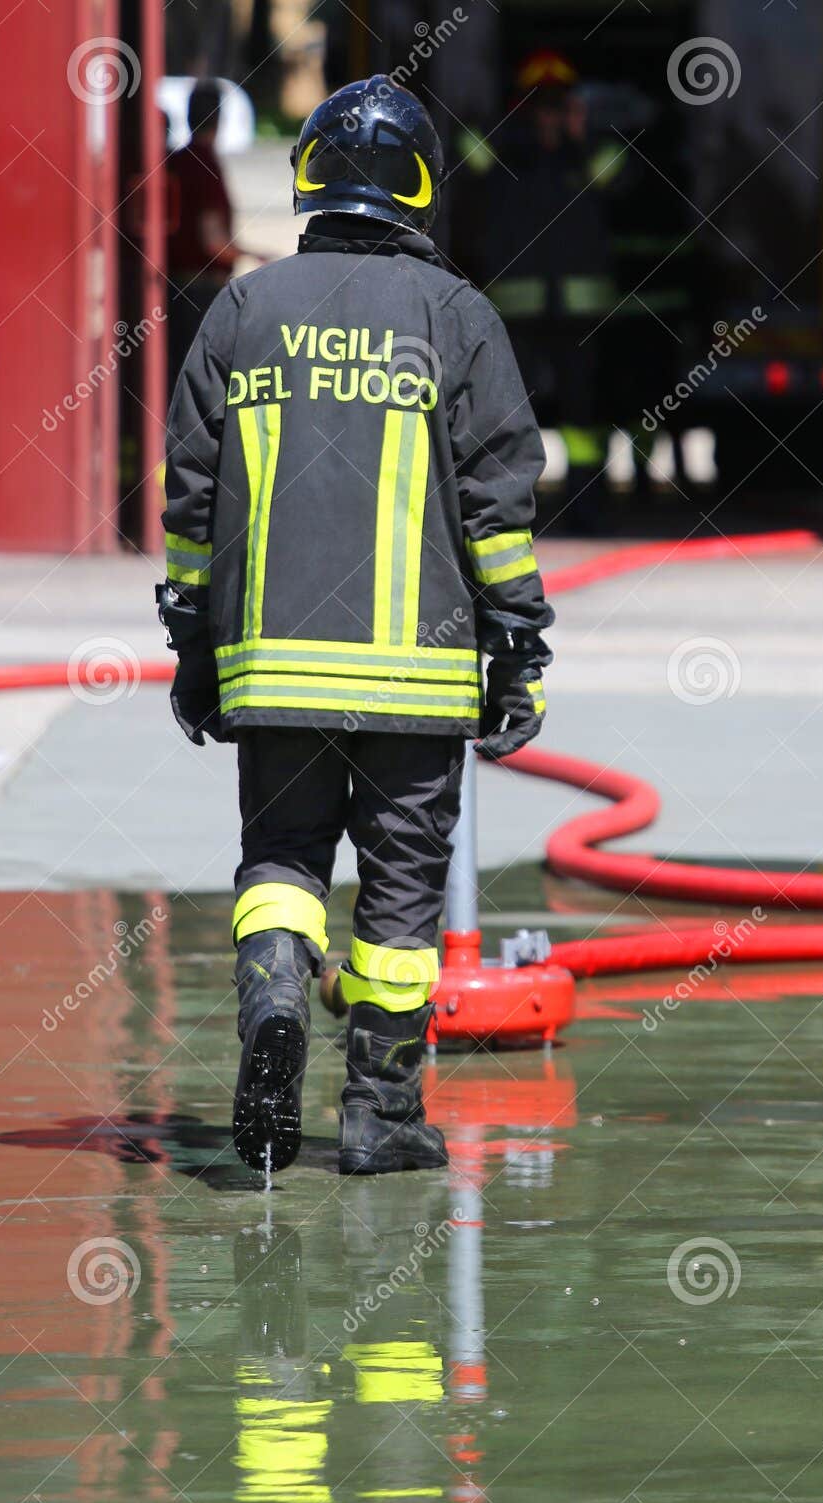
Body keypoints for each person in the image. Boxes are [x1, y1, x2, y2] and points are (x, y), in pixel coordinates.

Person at [156, 76, 554, 1178]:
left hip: (272, 668)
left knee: (282, 857)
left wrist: (193, 642)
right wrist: (518, 644)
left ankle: (277, 995)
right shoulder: (458, 317)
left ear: (311, 176)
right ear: (421, 187)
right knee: (399, 892)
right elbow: (497, 502)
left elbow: (190, 493)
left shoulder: (246, 310)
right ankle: (378, 1114)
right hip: (417, 684)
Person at [453, 51, 626, 531]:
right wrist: (512, 127)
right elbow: (468, 152)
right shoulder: (505, 151)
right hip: (518, 311)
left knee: (583, 416)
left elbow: (616, 174)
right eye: (539, 102)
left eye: (558, 102)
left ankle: (586, 508)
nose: (548, 112)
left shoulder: (590, 151)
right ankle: (506, 510)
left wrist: (578, 136)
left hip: (581, 311)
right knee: (507, 411)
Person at [165, 80, 252, 383]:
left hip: (173, 286)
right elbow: (214, 241)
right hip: (201, 290)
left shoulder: (176, 162)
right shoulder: (206, 165)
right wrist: (259, 257)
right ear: (219, 118)